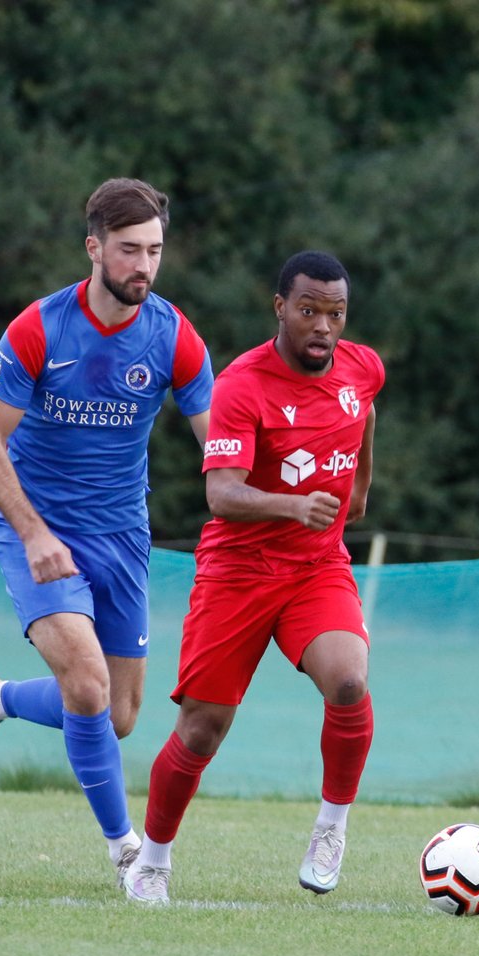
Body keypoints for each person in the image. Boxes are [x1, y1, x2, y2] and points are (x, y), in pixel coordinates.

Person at [0, 177, 214, 889]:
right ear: (94, 247)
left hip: (124, 535)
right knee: (89, 687)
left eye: (155, 250)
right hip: (40, 530)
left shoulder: (174, 335)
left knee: (119, 714)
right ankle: (127, 851)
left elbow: (221, 448)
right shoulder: (39, 328)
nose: (144, 266)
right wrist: (33, 532)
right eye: (130, 250)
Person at [121, 250, 382, 905]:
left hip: (317, 567)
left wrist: (360, 490)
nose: (324, 326)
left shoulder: (362, 368)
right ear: (281, 308)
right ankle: (151, 861)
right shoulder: (241, 384)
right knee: (203, 727)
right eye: (310, 310)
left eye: (336, 313)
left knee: (349, 679)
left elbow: (365, 413)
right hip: (238, 572)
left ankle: (331, 827)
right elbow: (222, 493)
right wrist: (295, 504)